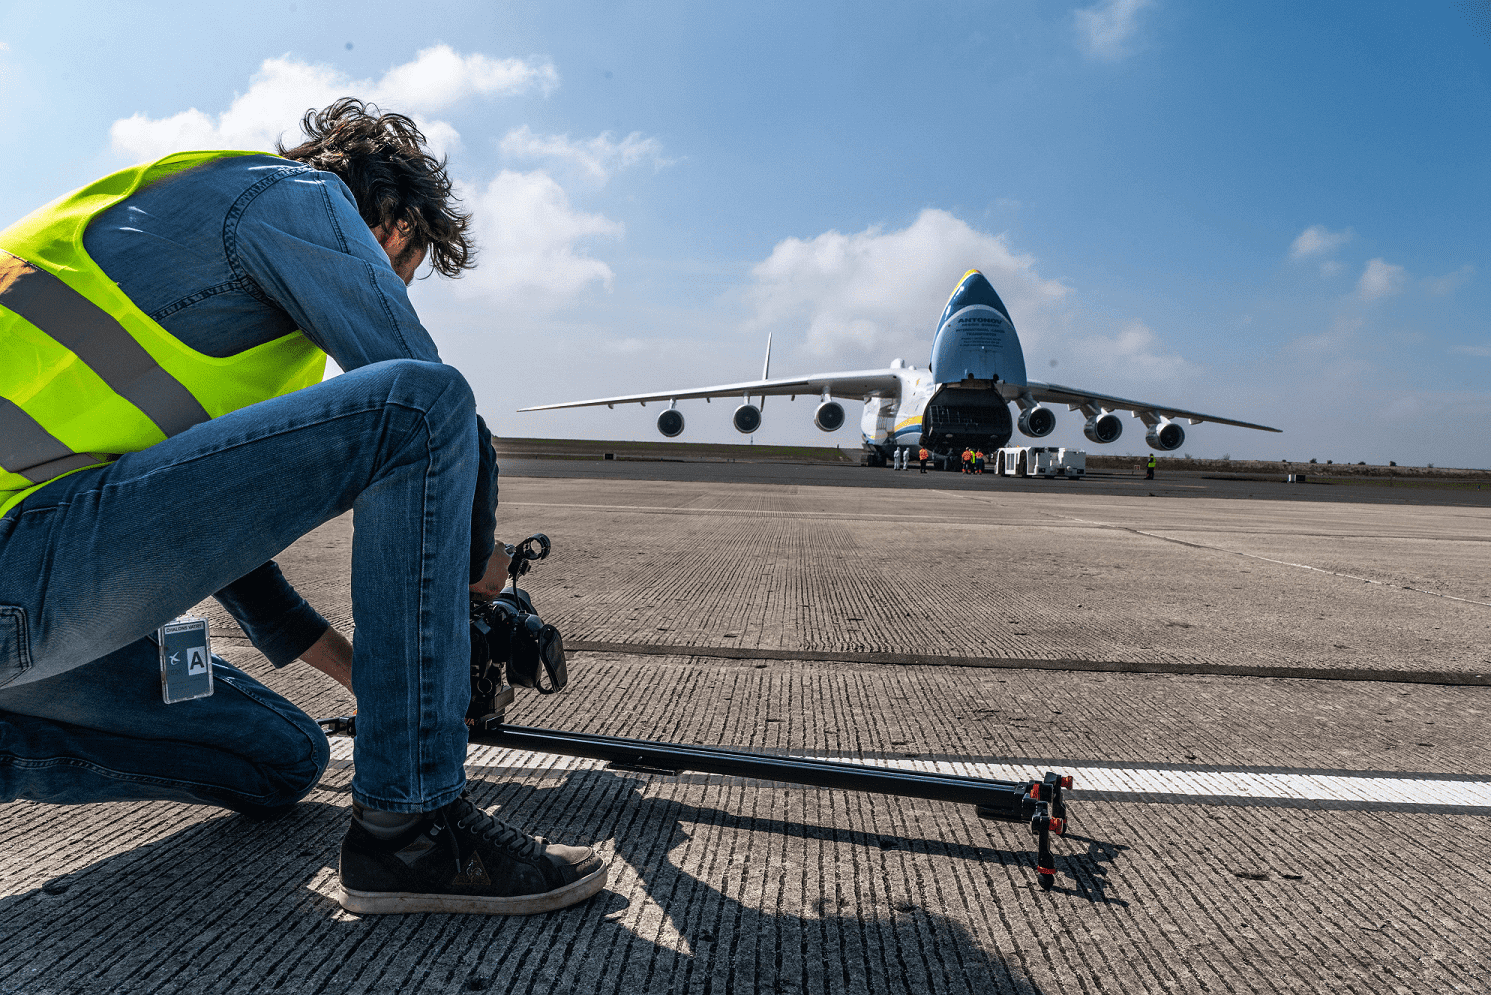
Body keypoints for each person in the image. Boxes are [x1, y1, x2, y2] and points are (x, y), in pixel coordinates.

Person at [0, 99, 607, 916]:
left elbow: (221, 556)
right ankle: (413, 829)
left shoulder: (168, 264)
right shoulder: (289, 198)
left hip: (35, 591)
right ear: (392, 227)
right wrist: (476, 571)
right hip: (20, 571)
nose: (389, 290)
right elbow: (430, 408)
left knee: (285, 759)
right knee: (421, 406)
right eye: (403, 272)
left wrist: (383, 685)